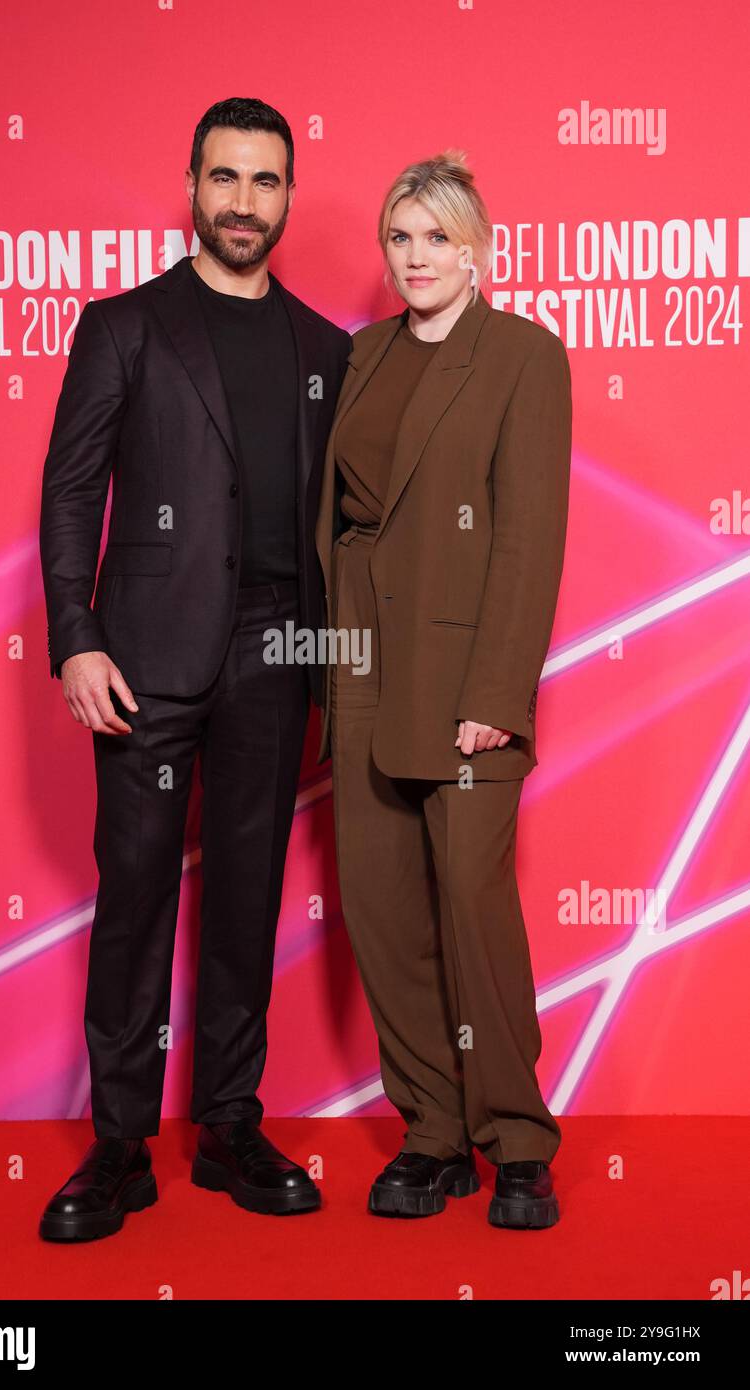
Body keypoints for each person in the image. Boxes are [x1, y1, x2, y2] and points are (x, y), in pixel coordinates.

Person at [38, 97, 351, 1239]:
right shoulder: (122, 327)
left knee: (247, 895)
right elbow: (74, 487)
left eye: (265, 182)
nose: (243, 202)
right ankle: (118, 1143)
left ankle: (226, 1123)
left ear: (286, 197)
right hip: (143, 658)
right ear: (191, 186)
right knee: (131, 899)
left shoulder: (326, 348)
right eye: (225, 178)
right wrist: (73, 632)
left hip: (276, 653)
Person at [314, 150, 572, 1228]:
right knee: (379, 914)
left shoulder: (521, 355)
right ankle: (429, 1132)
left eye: (435, 237)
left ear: (473, 248)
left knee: (469, 910)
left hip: (464, 675)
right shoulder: (364, 353)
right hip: (363, 662)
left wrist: (496, 691)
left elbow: (526, 536)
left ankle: (514, 1135)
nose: (414, 257)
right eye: (398, 237)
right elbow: (337, 520)